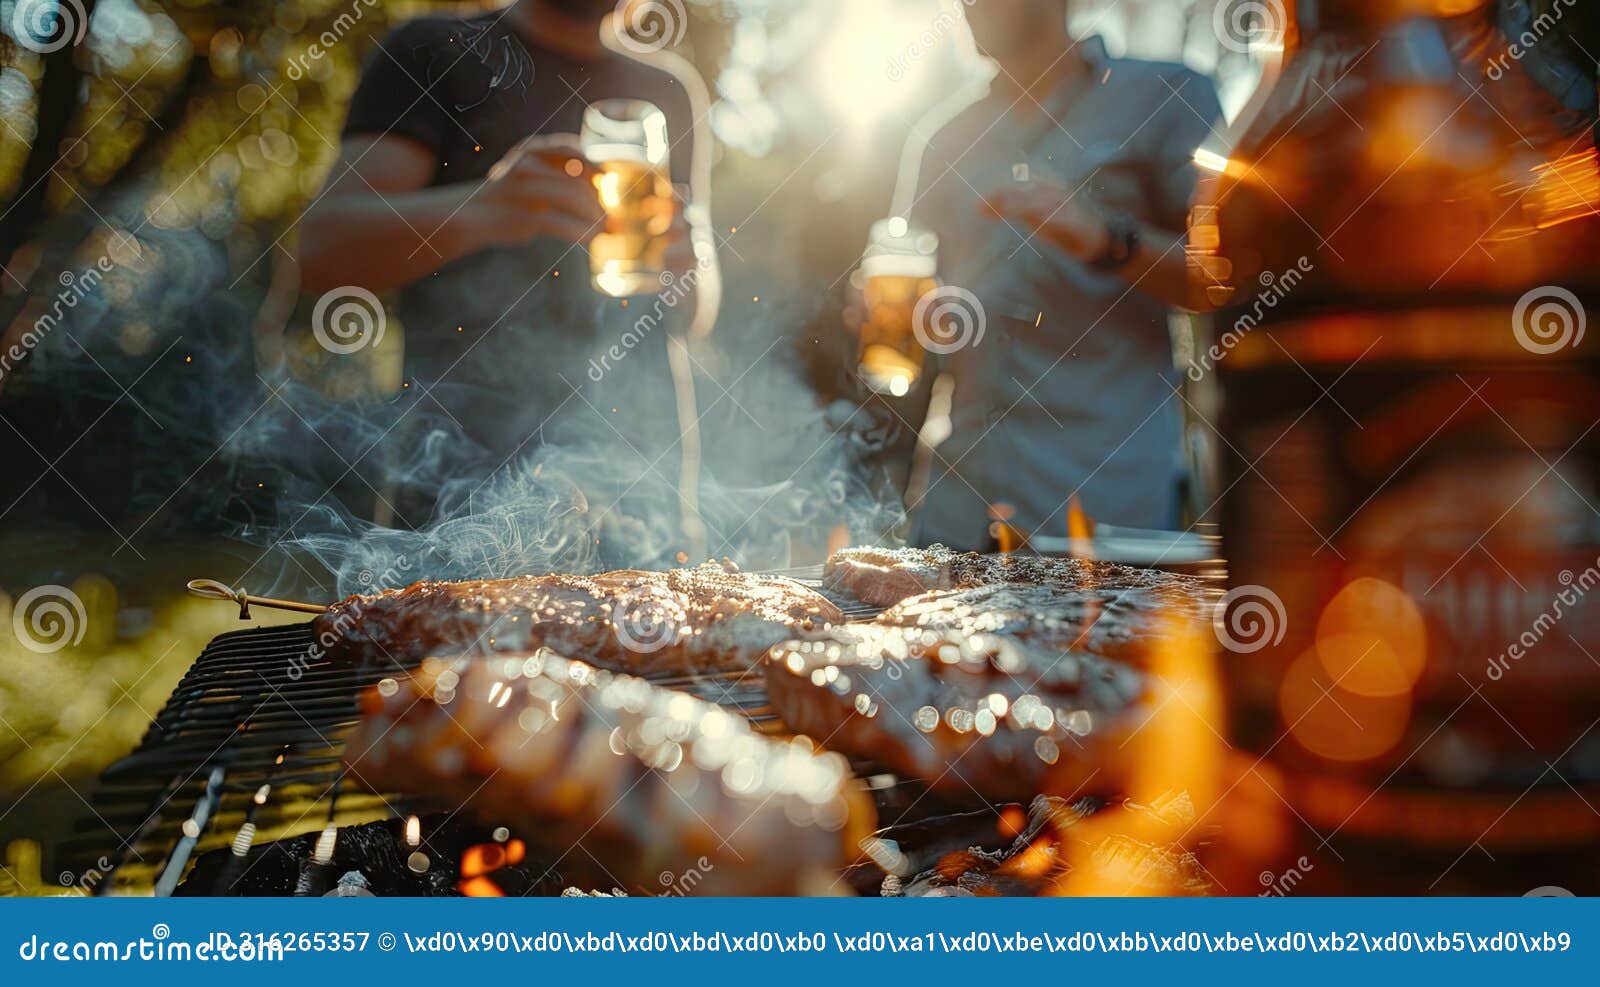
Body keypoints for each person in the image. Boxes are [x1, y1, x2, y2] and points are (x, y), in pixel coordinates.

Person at [299, 0, 696, 460]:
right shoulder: (432, 52)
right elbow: (321, 253)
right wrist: (484, 210)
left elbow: (692, 314)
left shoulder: (670, 88)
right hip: (462, 484)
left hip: (645, 488)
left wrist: (687, 266)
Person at [907, 0, 1222, 548]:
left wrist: (1106, 240)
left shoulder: (1167, 96)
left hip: (1103, 517)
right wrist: (892, 319)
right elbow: (924, 318)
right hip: (956, 513)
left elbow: (1223, 279)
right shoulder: (943, 141)